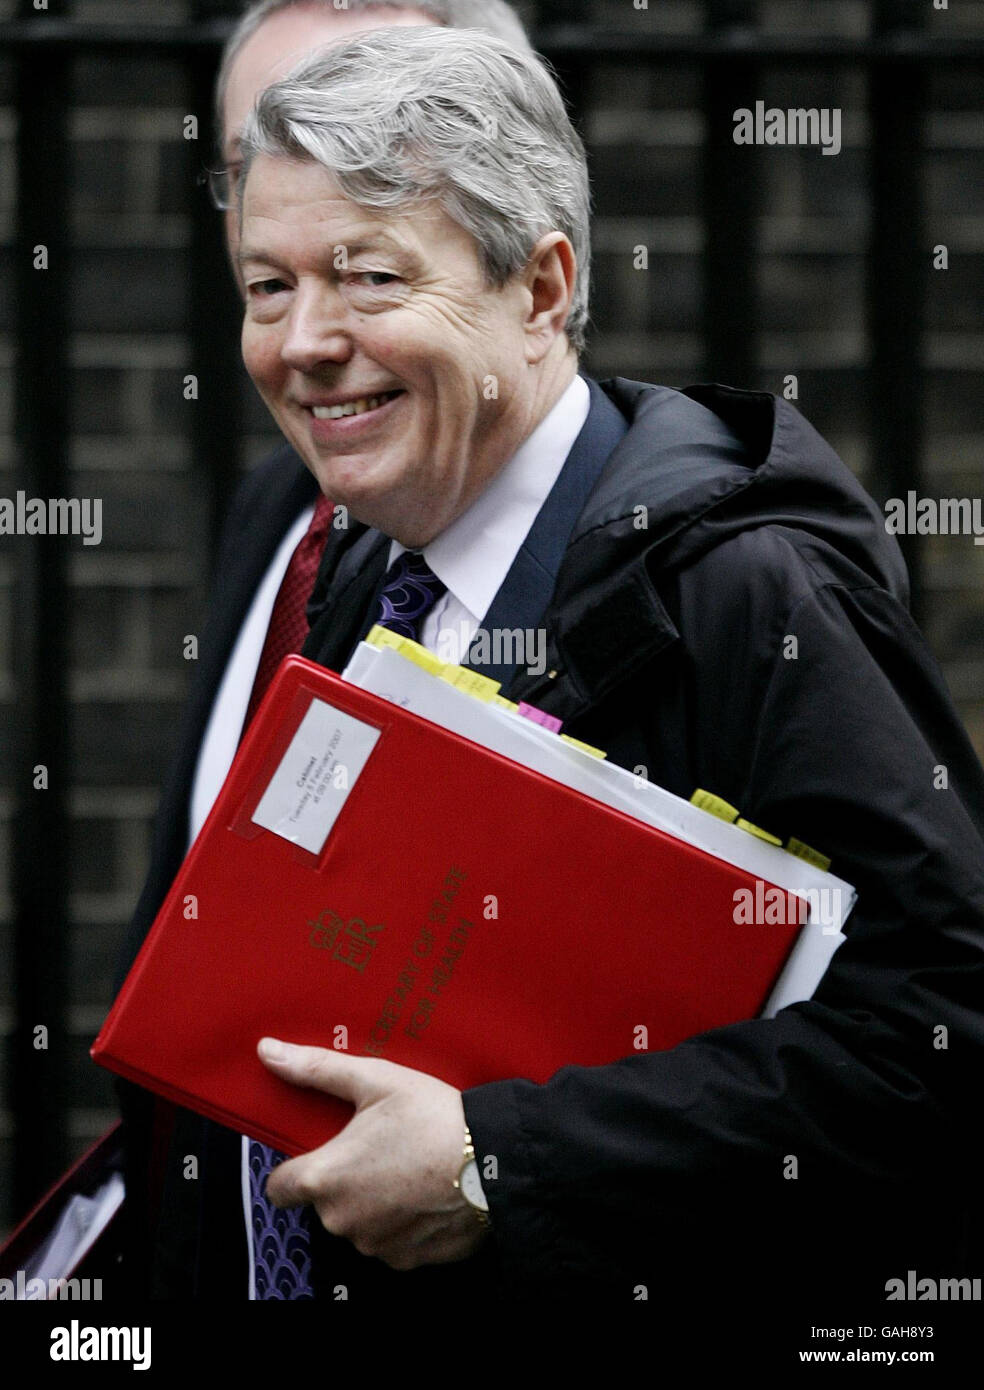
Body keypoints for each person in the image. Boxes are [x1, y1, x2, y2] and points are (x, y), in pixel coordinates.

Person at [122, 26, 984, 1311]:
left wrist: (500, 1163)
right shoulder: (368, 558)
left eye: (365, 276)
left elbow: (945, 1028)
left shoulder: (745, 590)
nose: (303, 341)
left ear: (538, 290)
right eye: (266, 286)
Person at [112, 1, 534, 1300]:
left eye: (358, 150)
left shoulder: (669, 555)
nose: (287, 198)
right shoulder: (274, 516)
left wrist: (500, 1162)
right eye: (256, 164)